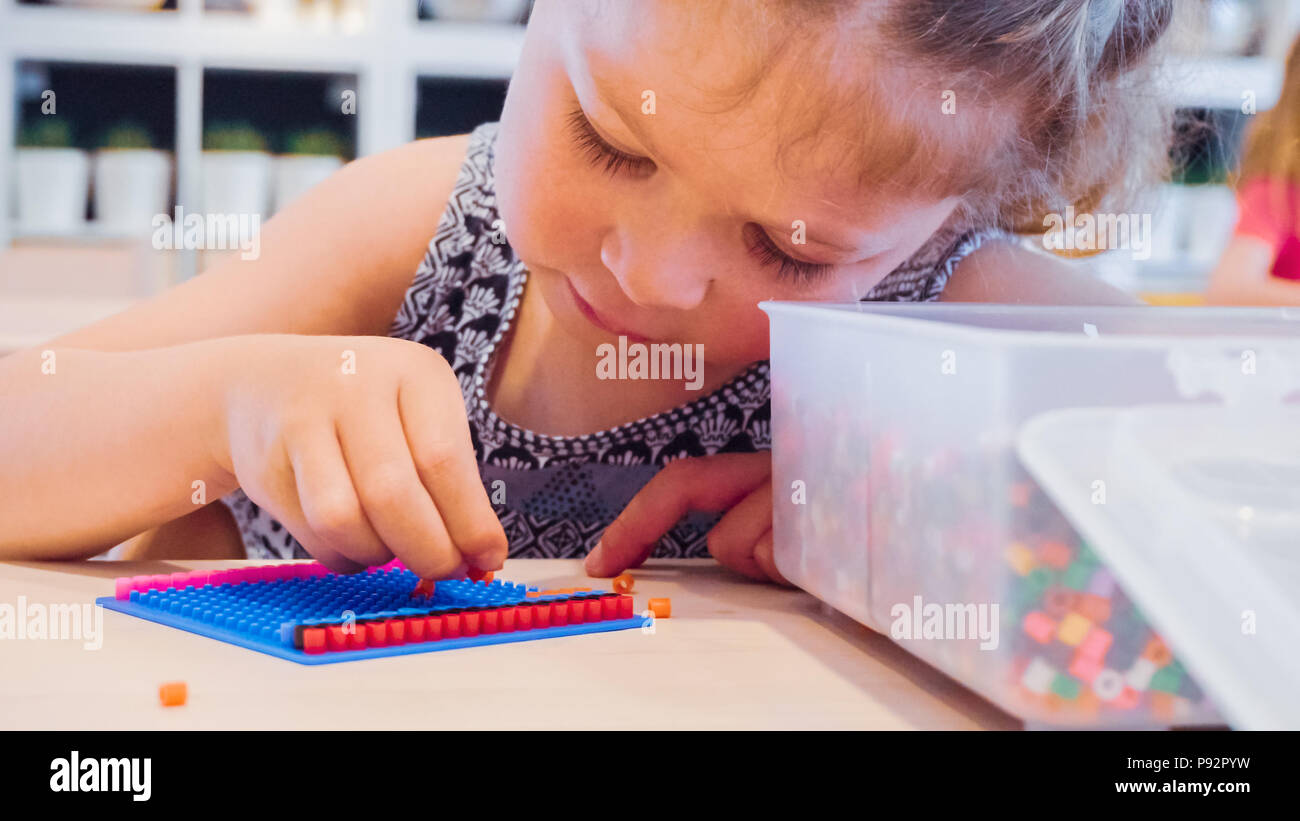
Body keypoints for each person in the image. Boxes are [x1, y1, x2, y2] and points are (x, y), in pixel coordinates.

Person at [0, 1, 1172, 586]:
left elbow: (1227, 505)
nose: (651, 272)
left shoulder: (963, 325)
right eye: (612, 141)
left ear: (963, 206)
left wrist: (919, 517)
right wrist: (224, 407)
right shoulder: (412, 234)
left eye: (791, 247)